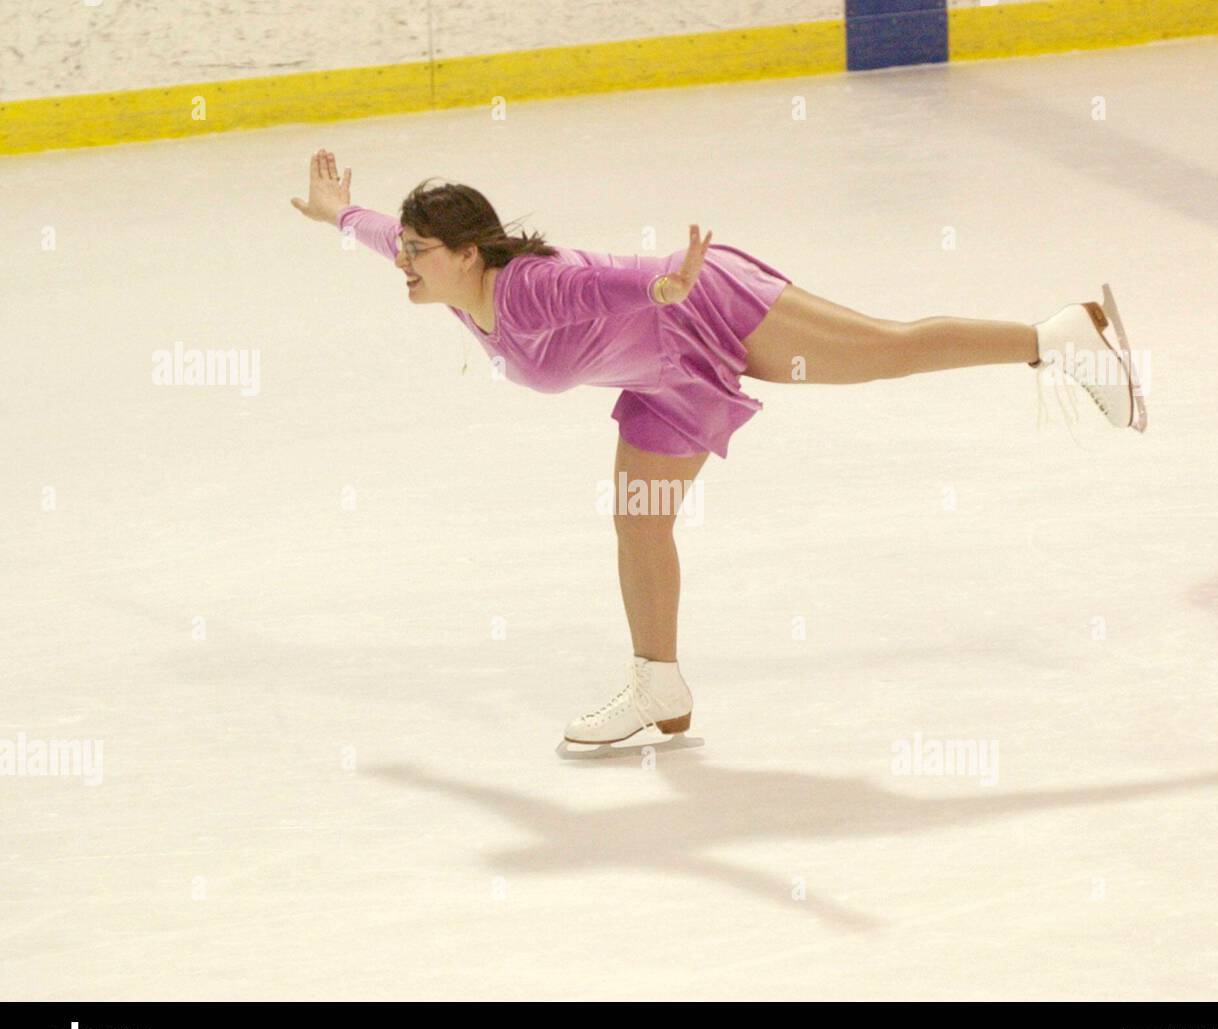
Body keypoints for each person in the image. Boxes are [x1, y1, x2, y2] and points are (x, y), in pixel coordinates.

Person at [291, 149, 1146, 751]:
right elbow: (374, 235)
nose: (402, 261)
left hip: (705, 309)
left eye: (417, 251)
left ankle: (1056, 336)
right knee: (638, 525)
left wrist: (663, 281)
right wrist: (341, 215)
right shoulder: (450, 287)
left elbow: (604, 280)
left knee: (885, 350)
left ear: (468, 254)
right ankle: (658, 681)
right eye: (403, 248)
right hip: (663, 381)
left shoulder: (529, 287)